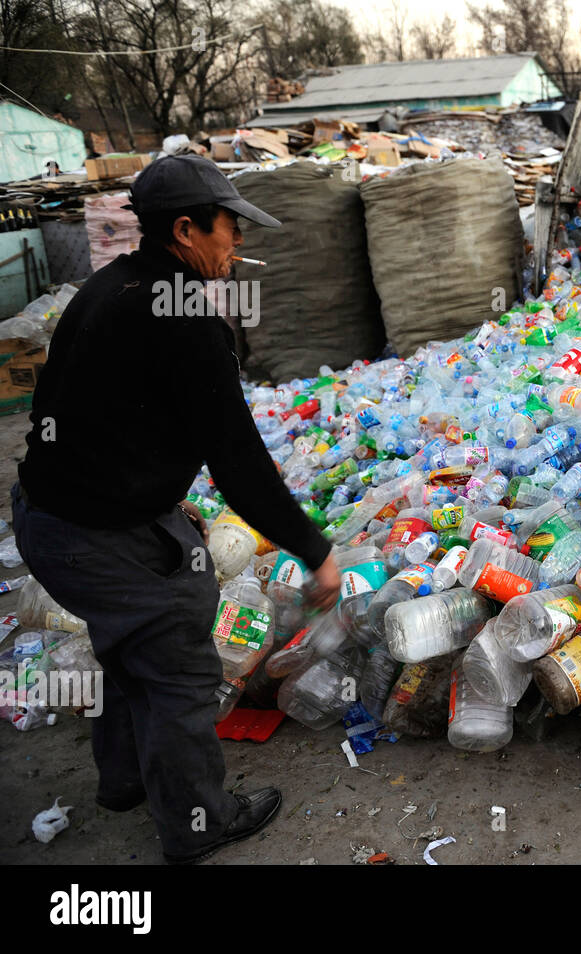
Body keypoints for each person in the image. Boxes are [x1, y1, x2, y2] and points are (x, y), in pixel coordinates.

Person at [12, 154, 342, 864]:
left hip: (54, 517)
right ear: (187, 229)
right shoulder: (186, 316)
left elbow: (87, 413)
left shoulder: (106, 287)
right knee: (181, 666)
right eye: (229, 229)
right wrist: (313, 549)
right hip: (89, 531)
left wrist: (156, 497)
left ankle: (128, 778)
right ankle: (198, 822)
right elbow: (240, 464)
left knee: (141, 633)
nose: (237, 245)